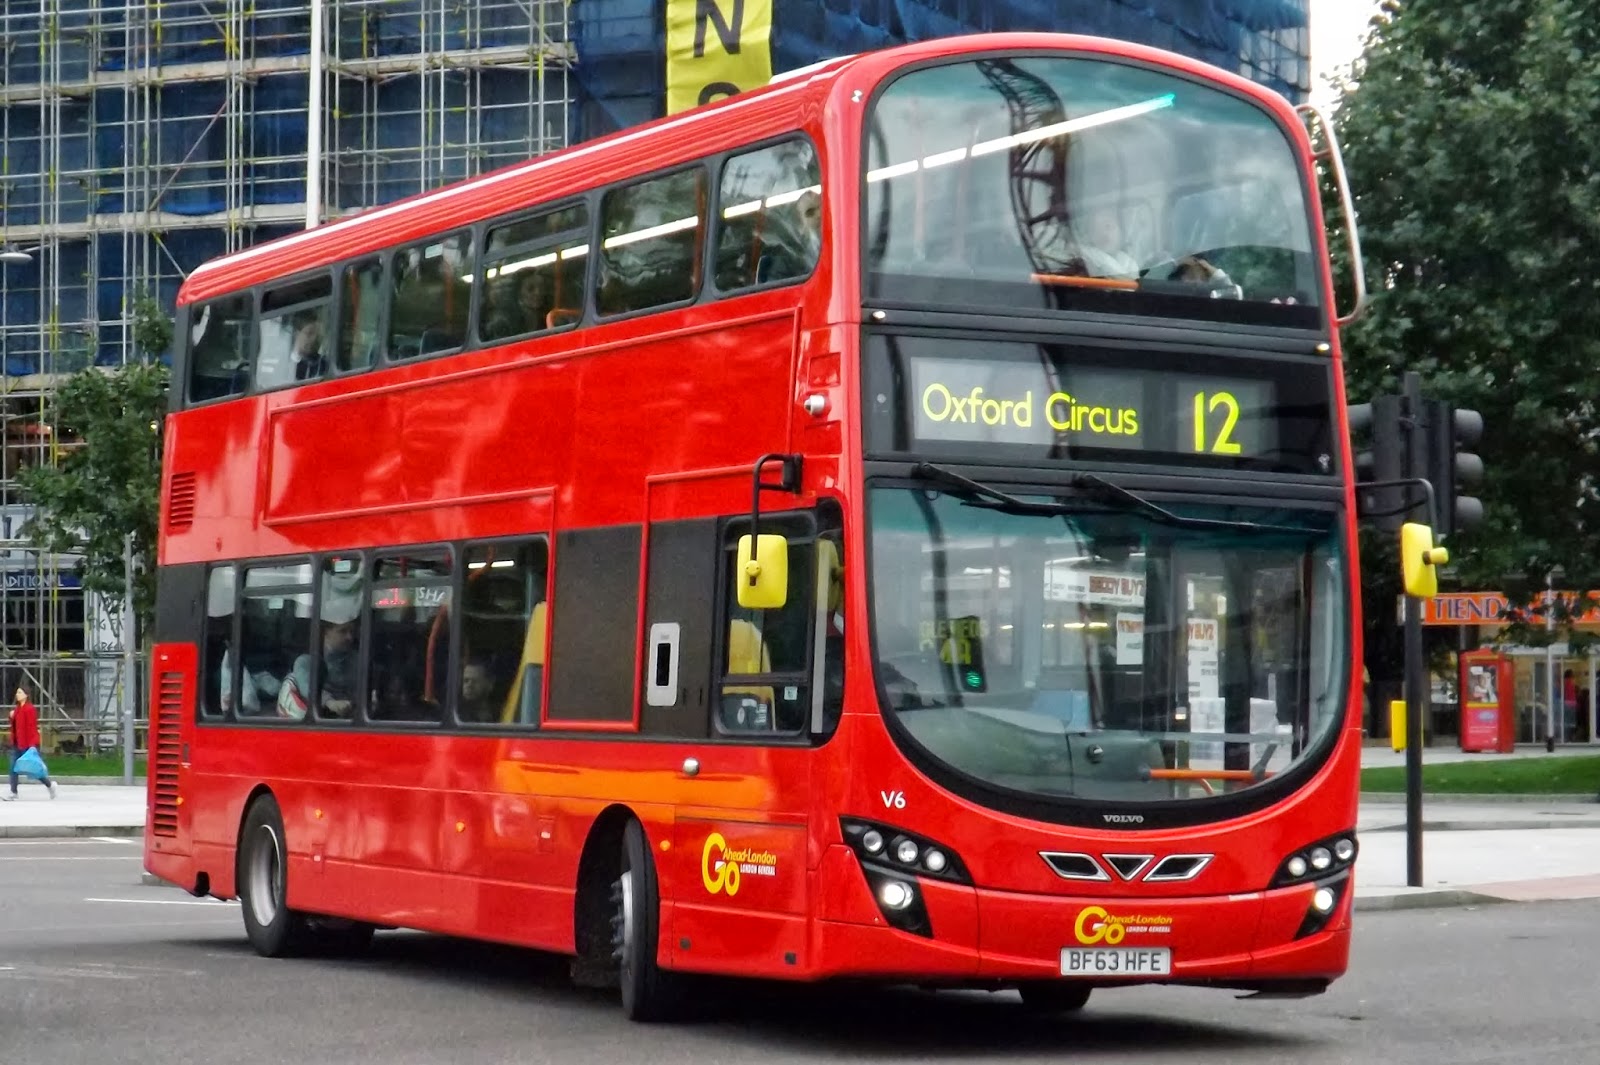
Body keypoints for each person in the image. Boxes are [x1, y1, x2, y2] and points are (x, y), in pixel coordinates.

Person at [4, 686, 57, 800]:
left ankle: (49, 785)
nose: (17, 694)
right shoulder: (17, 709)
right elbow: (15, 726)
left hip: (28, 744)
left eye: (19, 692)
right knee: (13, 768)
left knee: (33, 770)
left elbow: (32, 728)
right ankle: (13, 792)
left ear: (26, 695)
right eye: (17, 692)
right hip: (17, 744)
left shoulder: (30, 709)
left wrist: (33, 746)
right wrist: (11, 716)